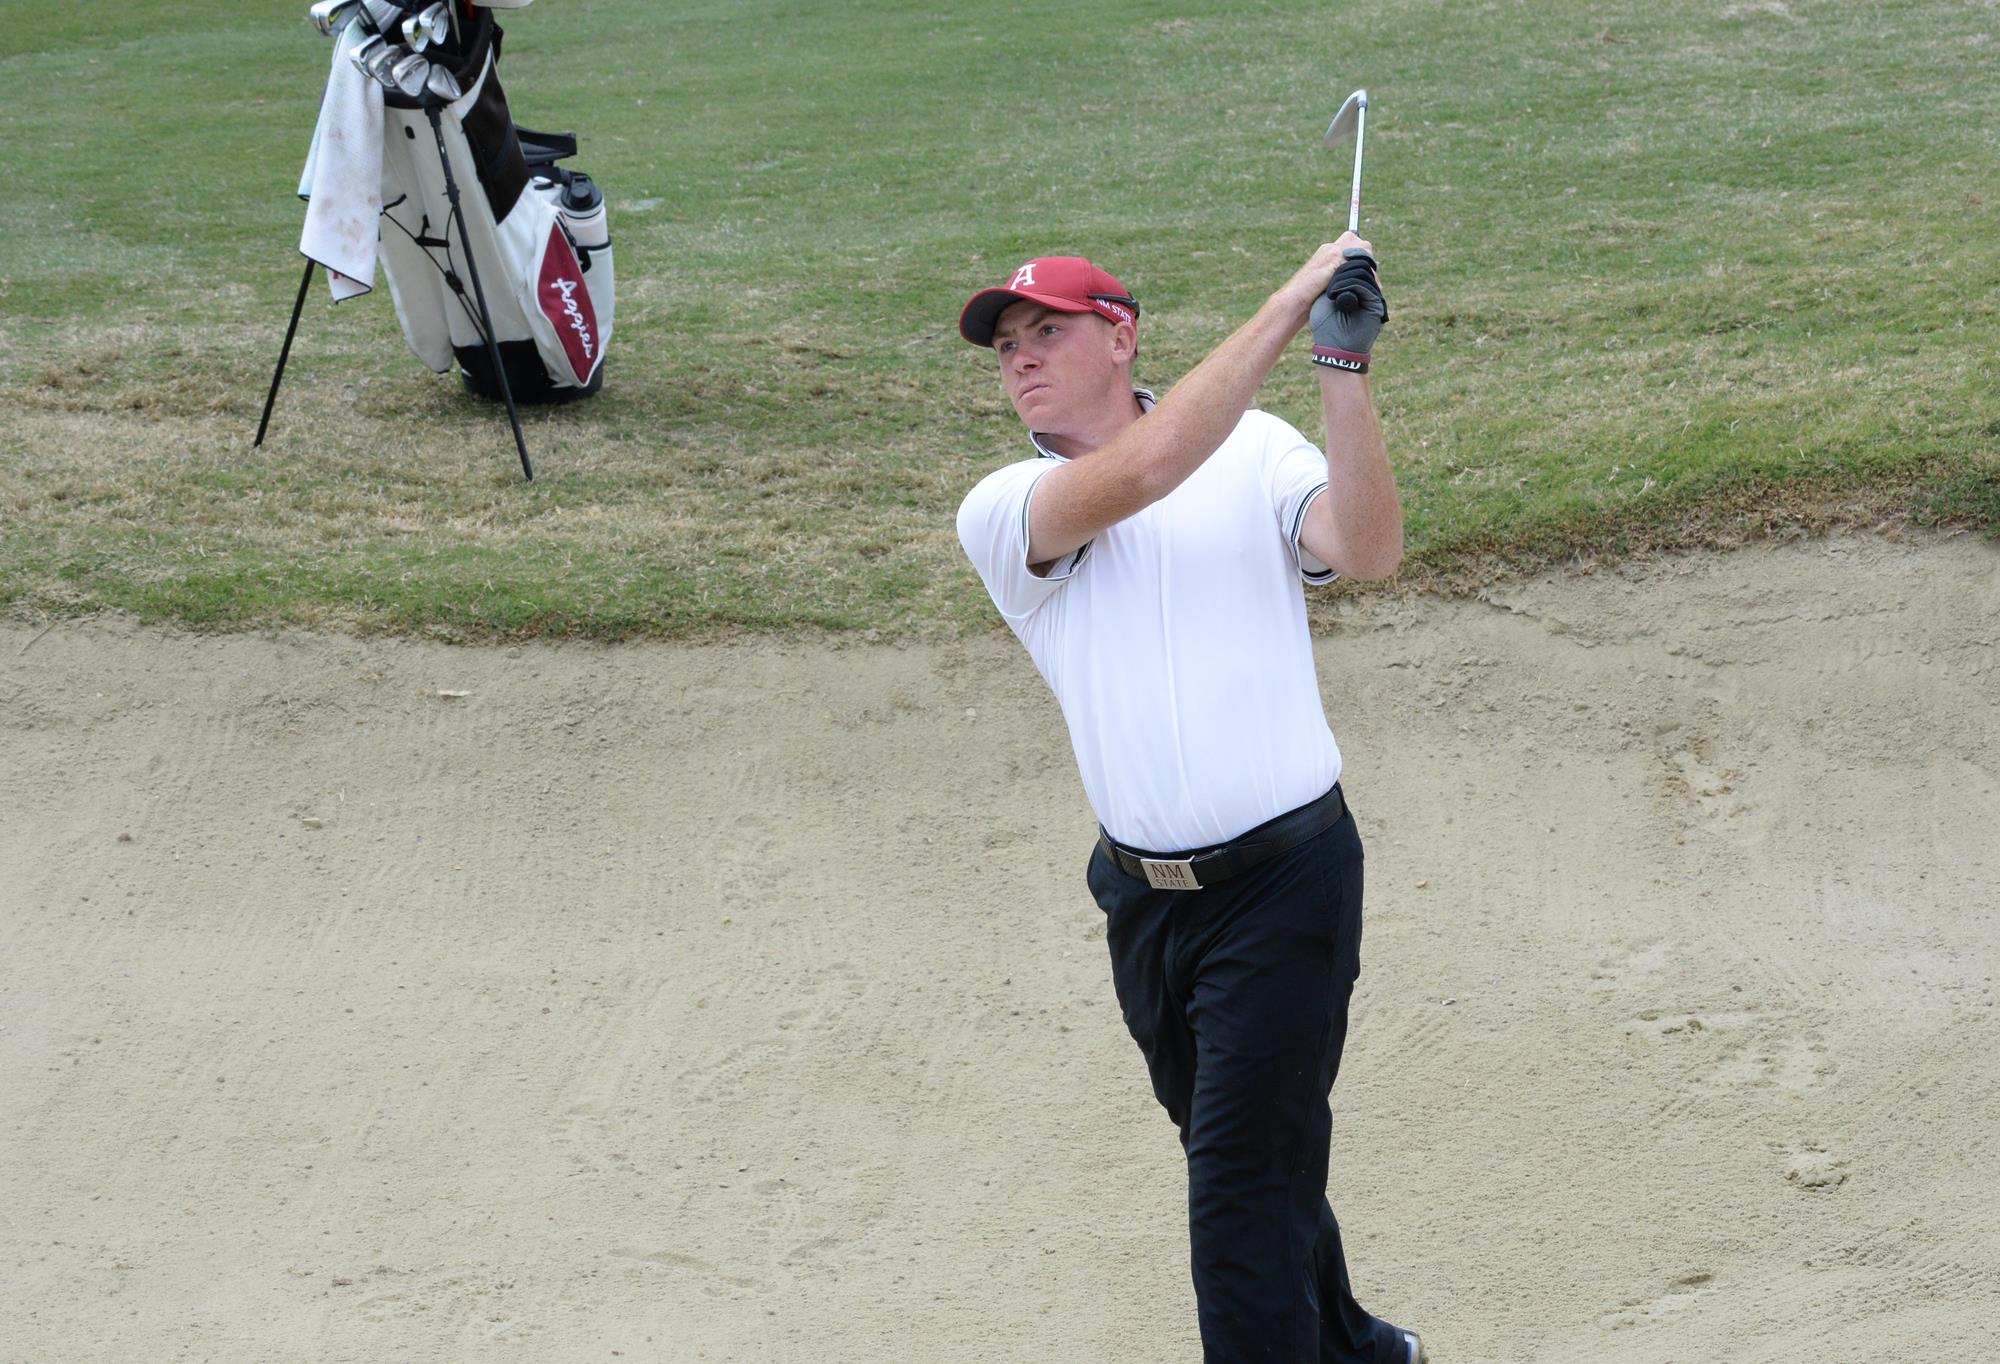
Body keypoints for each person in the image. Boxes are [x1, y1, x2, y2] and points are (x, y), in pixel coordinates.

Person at [953, 237, 1424, 1364]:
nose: (1019, 360)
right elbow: (1147, 470)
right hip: (1148, 908)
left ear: (1120, 336)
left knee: (1236, 1193)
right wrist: (1285, 302)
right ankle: (1353, 1344)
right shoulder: (1008, 505)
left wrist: (1341, 373)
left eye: (1046, 332)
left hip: (1286, 887)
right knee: (1246, 1152)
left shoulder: (1256, 450)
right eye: (1005, 347)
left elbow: (1367, 550)